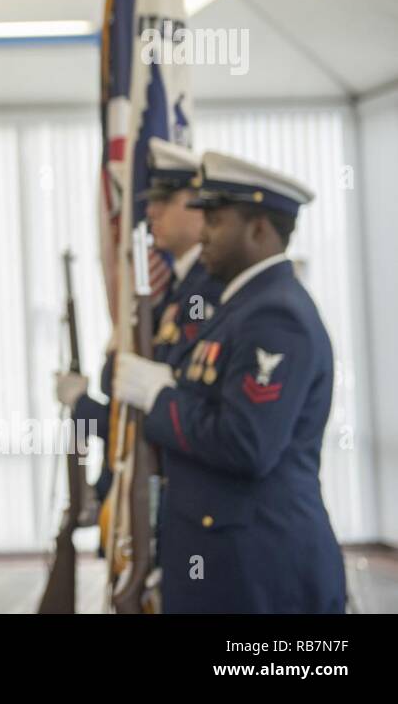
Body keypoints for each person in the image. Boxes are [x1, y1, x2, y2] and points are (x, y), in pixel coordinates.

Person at [114, 151, 347, 613]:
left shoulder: (276, 315)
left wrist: (160, 397)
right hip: (222, 557)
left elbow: (245, 443)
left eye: (216, 222)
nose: (203, 236)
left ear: (259, 229)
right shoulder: (240, 308)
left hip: (259, 565)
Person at [56, 139, 224, 509]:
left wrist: (85, 406)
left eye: (165, 200)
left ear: (198, 206)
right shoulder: (179, 289)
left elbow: (173, 407)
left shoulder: (202, 294)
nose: (149, 212)